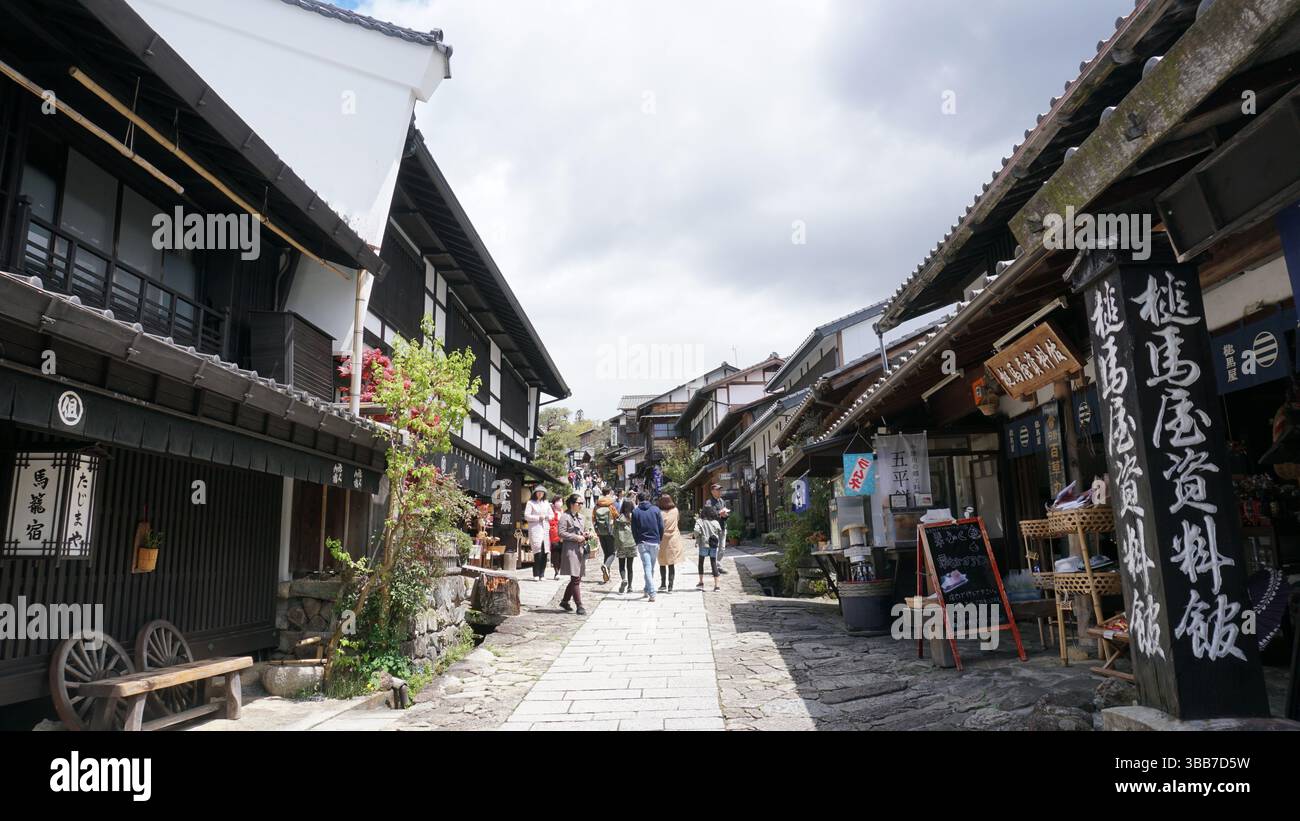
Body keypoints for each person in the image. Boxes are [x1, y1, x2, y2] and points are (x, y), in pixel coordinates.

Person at [556, 494, 590, 615]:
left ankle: (565, 601)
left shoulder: (581, 517)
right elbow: (561, 533)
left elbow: (583, 531)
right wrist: (576, 537)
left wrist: (586, 534)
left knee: (577, 577)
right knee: (575, 578)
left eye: (582, 503)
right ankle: (579, 605)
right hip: (570, 550)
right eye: (578, 503)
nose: (581, 505)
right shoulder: (564, 517)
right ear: (571, 504)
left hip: (581, 549)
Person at [630, 491, 664, 601]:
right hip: (654, 542)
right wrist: (659, 539)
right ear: (649, 498)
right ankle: (650, 590)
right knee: (650, 567)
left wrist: (637, 541)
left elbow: (633, 529)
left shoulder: (635, 512)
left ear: (638, 499)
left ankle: (649, 590)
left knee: (648, 567)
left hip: (642, 542)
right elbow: (661, 526)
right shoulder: (656, 510)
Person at [524, 487, 553, 581]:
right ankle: (536, 574)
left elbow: (552, 515)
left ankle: (542, 574)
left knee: (545, 552)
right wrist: (538, 518)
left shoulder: (546, 503)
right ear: (535, 493)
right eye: (538, 492)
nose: (540, 494)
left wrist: (546, 517)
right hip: (535, 528)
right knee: (538, 552)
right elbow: (526, 516)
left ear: (544, 494)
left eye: (542, 493)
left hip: (545, 528)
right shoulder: (530, 503)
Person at [657, 494, 684, 593]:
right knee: (671, 563)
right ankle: (670, 586)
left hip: (662, 539)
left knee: (662, 562)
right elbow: (677, 520)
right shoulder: (675, 510)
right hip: (673, 539)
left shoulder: (659, 513)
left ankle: (663, 584)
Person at [694, 505, 723, 591]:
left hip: (703, 544)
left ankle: (701, 582)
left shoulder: (700, 521)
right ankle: (717, 586)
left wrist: (697, 539)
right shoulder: (716, 522)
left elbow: (696, 530)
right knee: (713, 563)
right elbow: (720, 532)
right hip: (713, 544)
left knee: (701, 562)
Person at [592, 493, 619, 584]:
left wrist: (597, 531)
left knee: (606, 553)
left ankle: (606, 576)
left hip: (600, 533)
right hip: (610, 532)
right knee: (612, 553)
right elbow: (616, 516)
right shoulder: (611, 506)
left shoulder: (596, 507)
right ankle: (606, 566)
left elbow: (593, 519)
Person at [704, 484, 731, 573]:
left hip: (722, 527)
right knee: (714, 548)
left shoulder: (722, 501)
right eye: (717, 490)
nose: (720, 492)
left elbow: (725, 515)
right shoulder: (709, 502)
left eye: (720, 490)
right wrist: (719, 514)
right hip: (713, 529)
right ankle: (715, 567)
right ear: (712, 491)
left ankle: (718, 564)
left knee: (722, 548)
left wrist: (726, 515)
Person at [614, 499, 638, 593]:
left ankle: (624, 579)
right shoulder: (634, 517)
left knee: (621, 565)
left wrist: (615, 544)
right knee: (630, 566)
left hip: (621, 544)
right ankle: (630, 587)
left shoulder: (619, 518)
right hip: (632, 543)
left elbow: (615, 532)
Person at [549, 496, 564, 579]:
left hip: (563, 535)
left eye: (561, 501)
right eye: (558, 501)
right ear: (554, 502)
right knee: (555, 553)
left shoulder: (562, 511)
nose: (560, 503)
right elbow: (551, 522)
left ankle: (559, 570)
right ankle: (556, 571)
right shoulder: (551, 510)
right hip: (554, 534)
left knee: (561, 553)